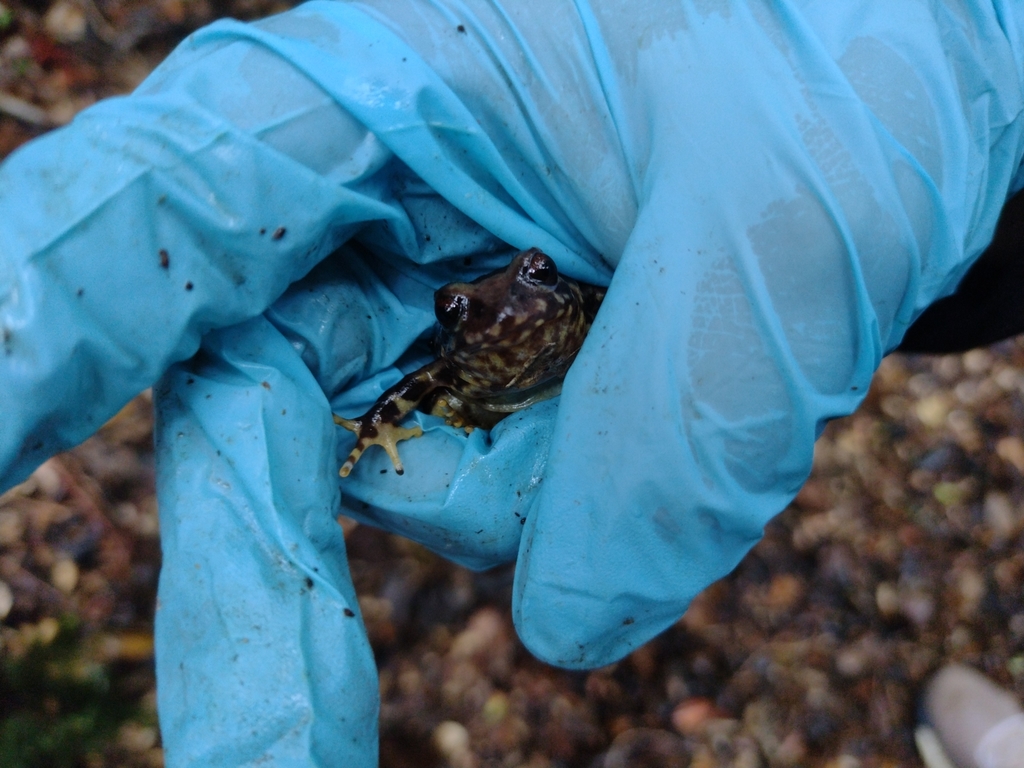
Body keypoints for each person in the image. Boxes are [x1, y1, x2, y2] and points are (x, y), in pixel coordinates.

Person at [1, 0, 1022, 764]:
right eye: (478, 299)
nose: (511, 292)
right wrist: (377, 429)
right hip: (478, 386)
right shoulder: (465, 330)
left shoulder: (565, 288)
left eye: (533, 273)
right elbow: (409, 389)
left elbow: (652, 283)